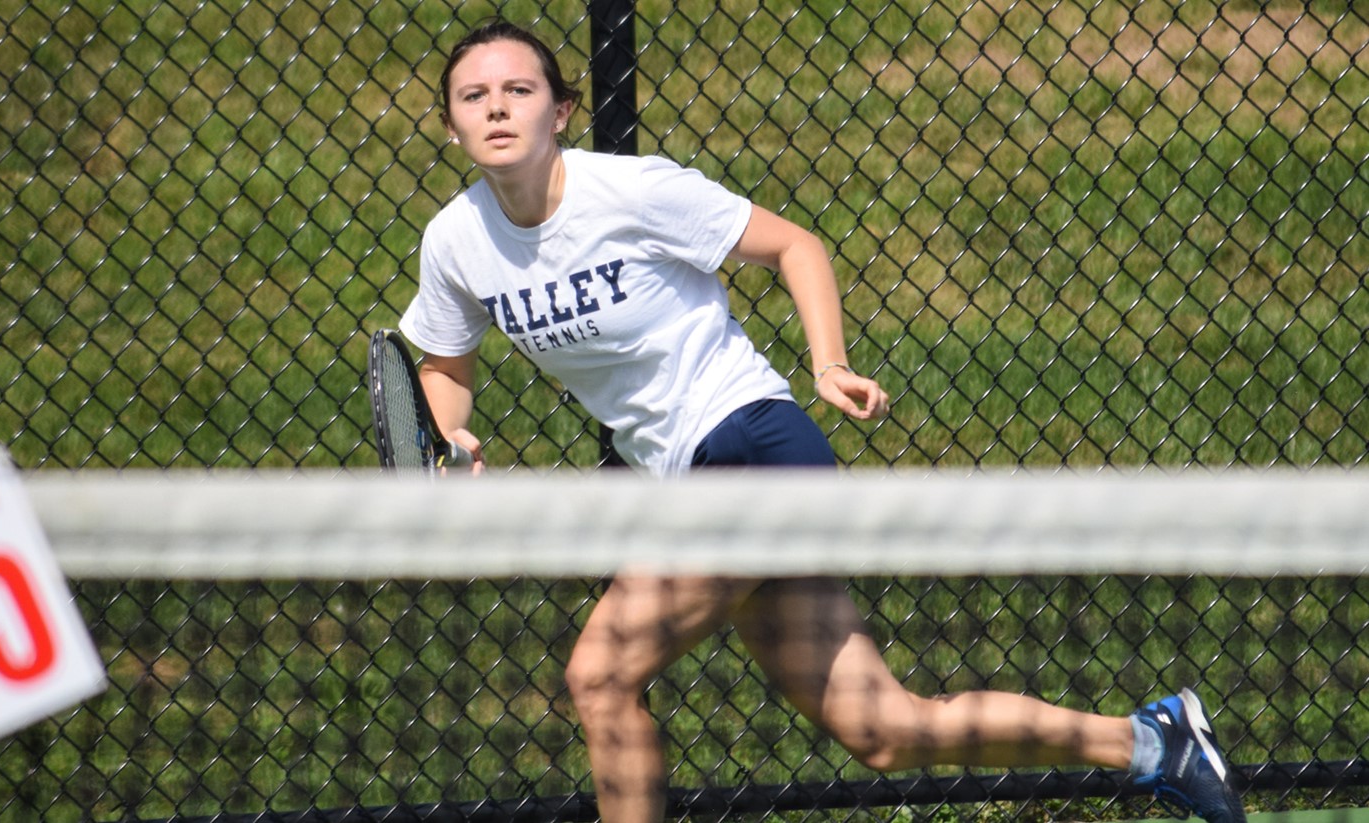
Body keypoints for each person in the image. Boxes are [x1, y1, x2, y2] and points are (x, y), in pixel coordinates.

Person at [397, 18, 1248, 823]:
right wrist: (451, 439)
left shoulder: (633, 190)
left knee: (598, 676)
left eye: (519, 89)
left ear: (561, 109)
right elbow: (443, 360)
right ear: (450, 124)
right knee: (882, 730)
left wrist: (827, 362)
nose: (498, 107)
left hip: (755, 447)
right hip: (683, 478)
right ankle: (1153, 739)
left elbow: (794, 245)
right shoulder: (455, 241)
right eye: (474, 96)